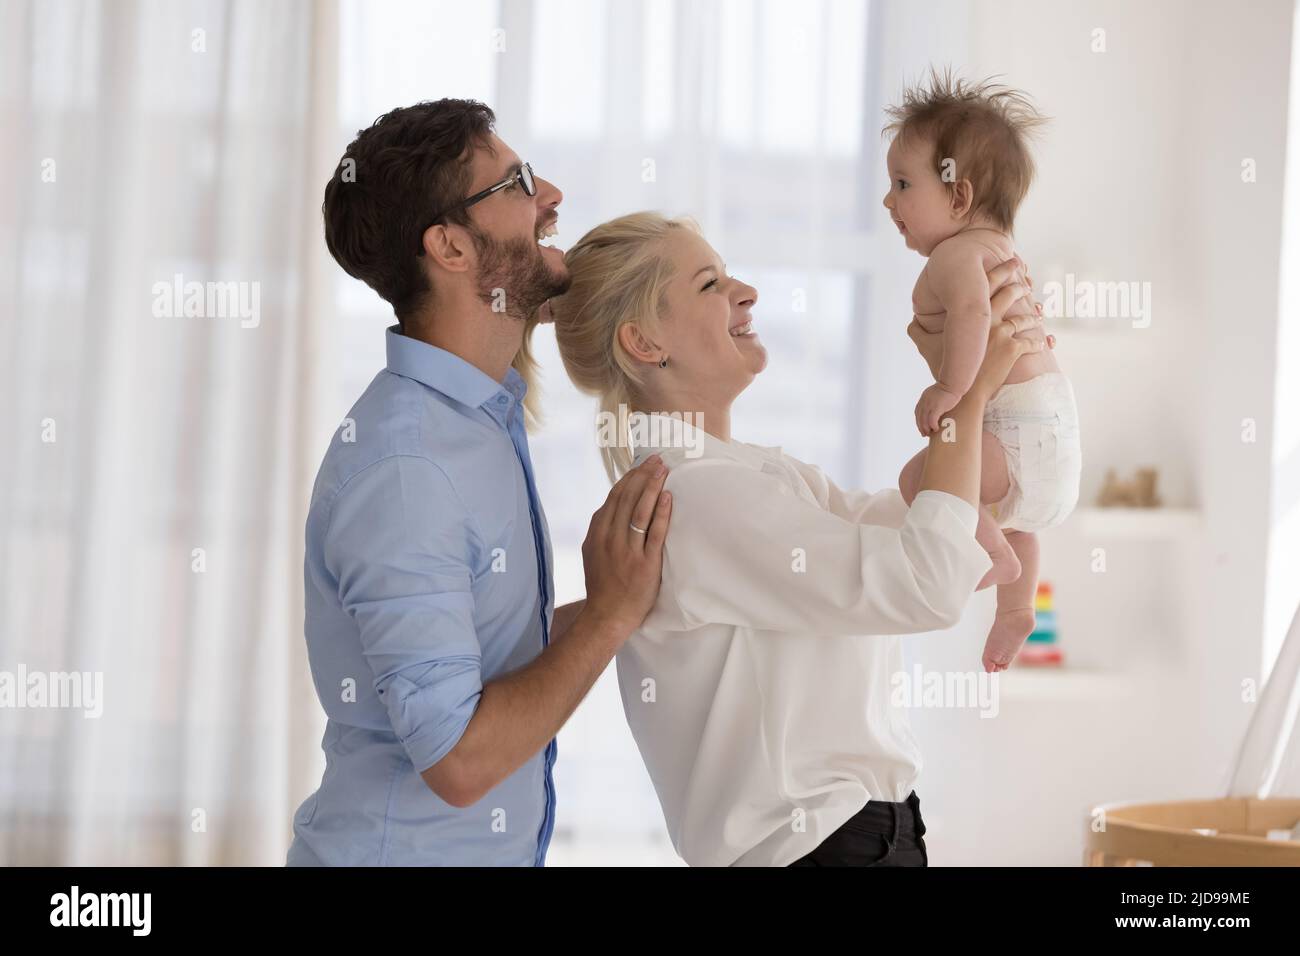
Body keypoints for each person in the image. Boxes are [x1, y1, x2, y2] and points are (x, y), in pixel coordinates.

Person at [550, 211, 1045, 866]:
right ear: (644, 342)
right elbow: (927, 583)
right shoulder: (695, 498)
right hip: (824, 848)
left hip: (859, 839)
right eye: (709, 285)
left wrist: (991, 378)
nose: (745, 292)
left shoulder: (755, 476)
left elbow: (964, 542)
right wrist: (970, 393)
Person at [287, 99, 671, 866]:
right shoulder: (409, 470)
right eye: (519, 182)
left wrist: (620, 601)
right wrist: (606, 621)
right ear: (451, 247)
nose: (552, 195)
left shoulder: (475, 418)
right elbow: (458, 760)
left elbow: (486, 663)